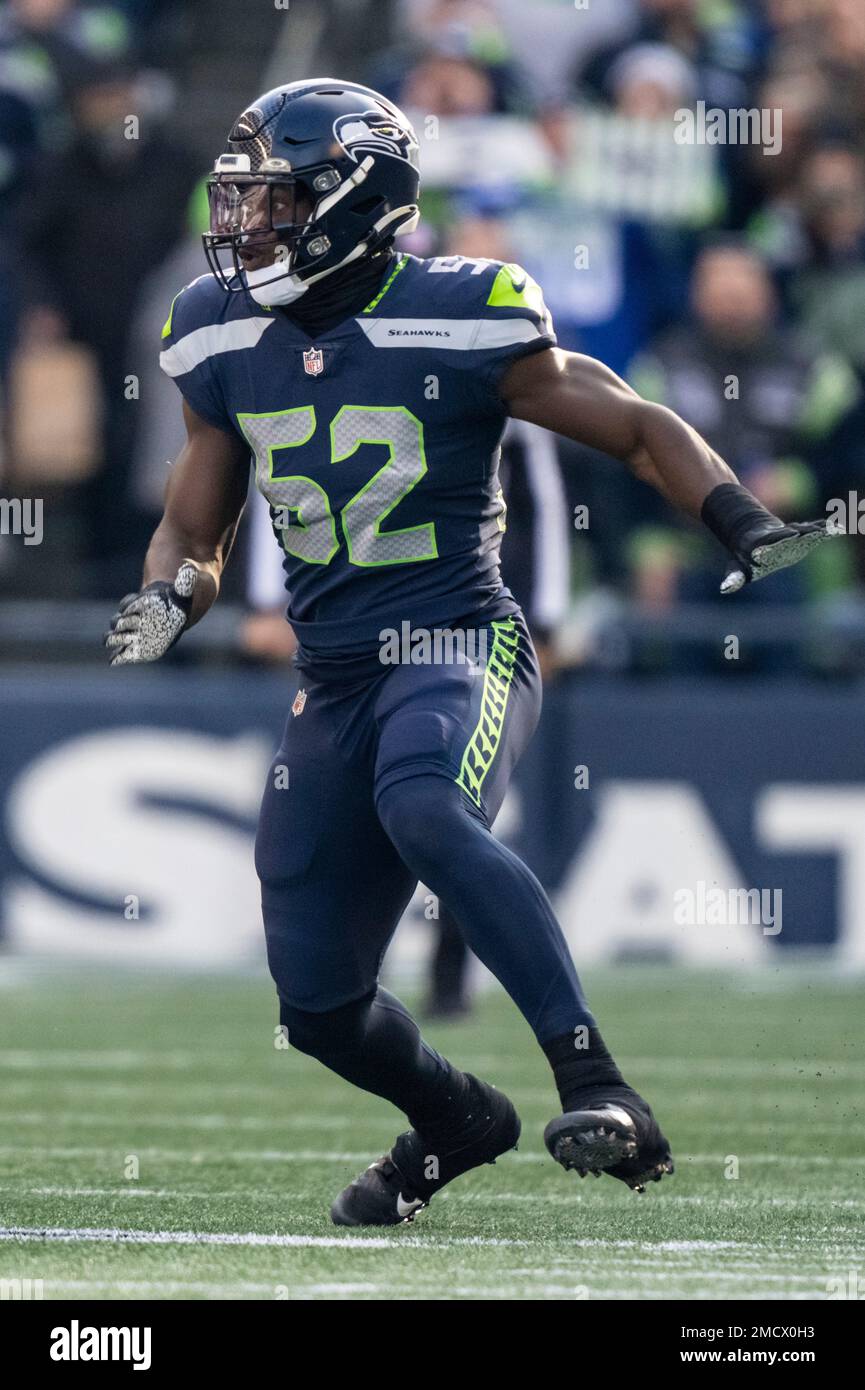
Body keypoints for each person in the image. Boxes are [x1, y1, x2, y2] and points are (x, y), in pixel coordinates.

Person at [104, 79, 836, 1227]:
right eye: (242, 200)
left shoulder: (466, 307)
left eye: (277, 200)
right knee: (317, 1003)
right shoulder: (215, 326)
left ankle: (598, 1083)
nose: (247, 225)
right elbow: (198, 528)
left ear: (354, 201)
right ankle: (456, 1121)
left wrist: (739, 519)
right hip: (333, 675)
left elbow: (635, 423)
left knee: (426, 805)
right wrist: (170, 594)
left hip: (458, 638)